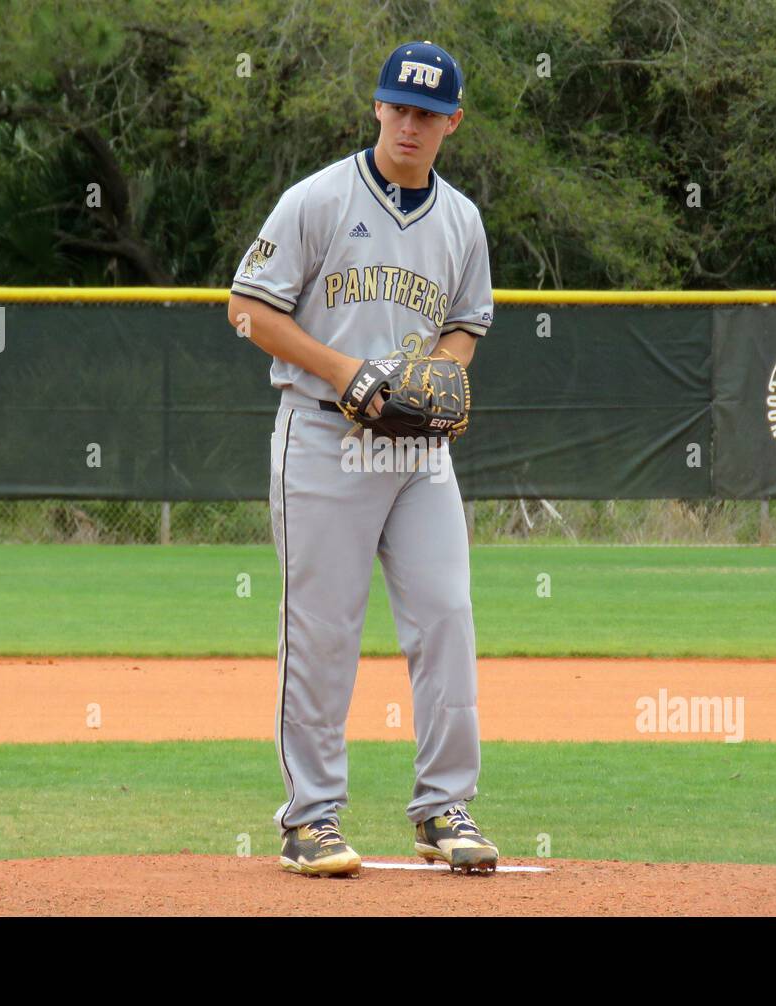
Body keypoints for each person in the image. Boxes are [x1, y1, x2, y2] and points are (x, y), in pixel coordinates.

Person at [226, 40, 497, 877]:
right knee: (323, 632)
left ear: (453, 122)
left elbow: (467, 322)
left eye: (427, 113)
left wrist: (440, 374)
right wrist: (346, 373)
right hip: (322, 437)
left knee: (446, 618)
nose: (409, 124)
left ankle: (443, 806)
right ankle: (310, 817)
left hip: (417, 455)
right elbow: (247, 309)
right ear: (377, 108)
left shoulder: (460, 220)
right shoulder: (317, 200)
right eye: (398, 107)